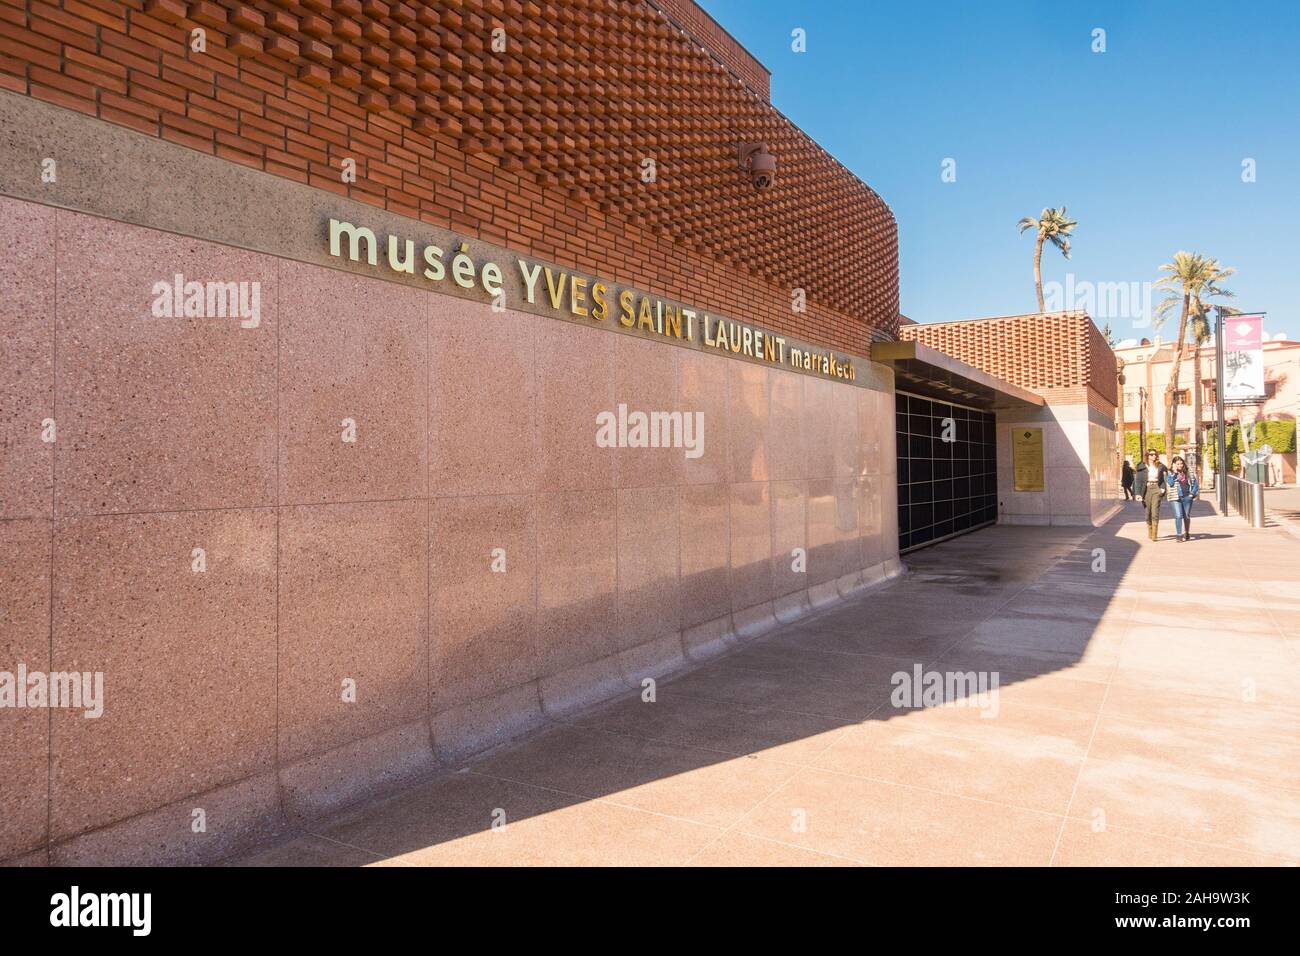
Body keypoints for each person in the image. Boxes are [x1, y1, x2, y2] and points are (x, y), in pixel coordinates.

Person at [1134, 449, 1168, 541]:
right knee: (1147, 512)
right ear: (1147, 455)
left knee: (1155, 511)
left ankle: (1154, 535)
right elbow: (1138, 481)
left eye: (1155, 454)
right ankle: (1150, 529)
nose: (1154, 456)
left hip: (1156, 489)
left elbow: (1164, 477)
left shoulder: (1160, 466)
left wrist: (1162, 488)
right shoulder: (1141, 466)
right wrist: (1137, 493)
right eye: (1152, 454)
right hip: (1146, 490)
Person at [1165, 455, 1199, 542]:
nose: (1180, 465)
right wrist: (1175, 473)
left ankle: (1187, 532)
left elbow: (1195, 483)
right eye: (1177, 464)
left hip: (1187, 496)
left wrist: (1192, 494)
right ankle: (1179, 535)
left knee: (1186, 516)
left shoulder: (1189, 471)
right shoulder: (1170, 473)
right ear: (1174, 464)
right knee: (1178, 516)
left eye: (1181, 464)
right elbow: (1171, 483)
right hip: (1175, 497)